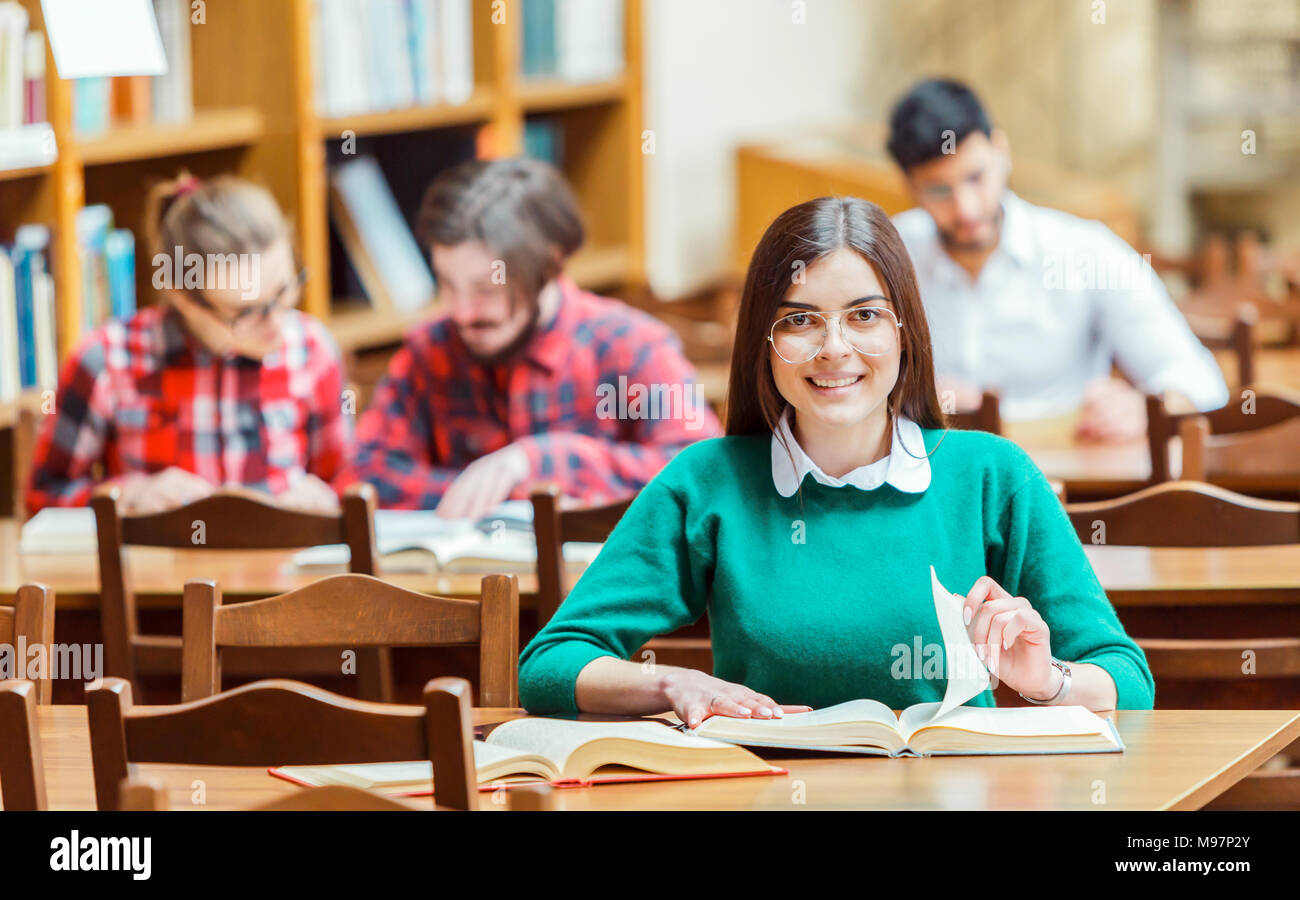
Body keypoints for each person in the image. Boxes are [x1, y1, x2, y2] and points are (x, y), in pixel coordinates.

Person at [519, 196, 1154, 726]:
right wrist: (672, 686)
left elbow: (1128, 680)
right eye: (800, 321)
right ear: (764, 344)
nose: (834, 349)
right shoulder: (708, 480)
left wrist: (1048, 681)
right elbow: (551, 664)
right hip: (767, 792)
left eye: (865, 316)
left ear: (904, 332)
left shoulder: (993, 476)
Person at [347, 157, 721, 518]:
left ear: (550, 265)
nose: (462, 313)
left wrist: (538, 461)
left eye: (486, 289)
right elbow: (367, 472)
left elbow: (706, 476)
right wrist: (492, 494)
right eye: (447, 284)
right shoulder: (432, 350)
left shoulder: (632, 346)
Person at [886, 78, 1228, 440]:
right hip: (937, 476)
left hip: (1072, 477)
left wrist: (1146, 408)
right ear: (909, 186)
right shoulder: (888, 256)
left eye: (975, 177)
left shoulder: (1085, 250)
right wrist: (906, 396)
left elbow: (1198, 378)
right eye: (939, 190)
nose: (966, 209)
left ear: (1001, 151)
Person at [26, 173, 349, 516]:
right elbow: (42, 500)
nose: (278, 323)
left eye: (286, 291)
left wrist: (329, 502)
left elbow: (347, 483)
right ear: (183, 299)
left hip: (288, 566)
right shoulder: (107, 359)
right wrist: (131, 495)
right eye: (247, 311)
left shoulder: (312, 350)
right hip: (157, 568)